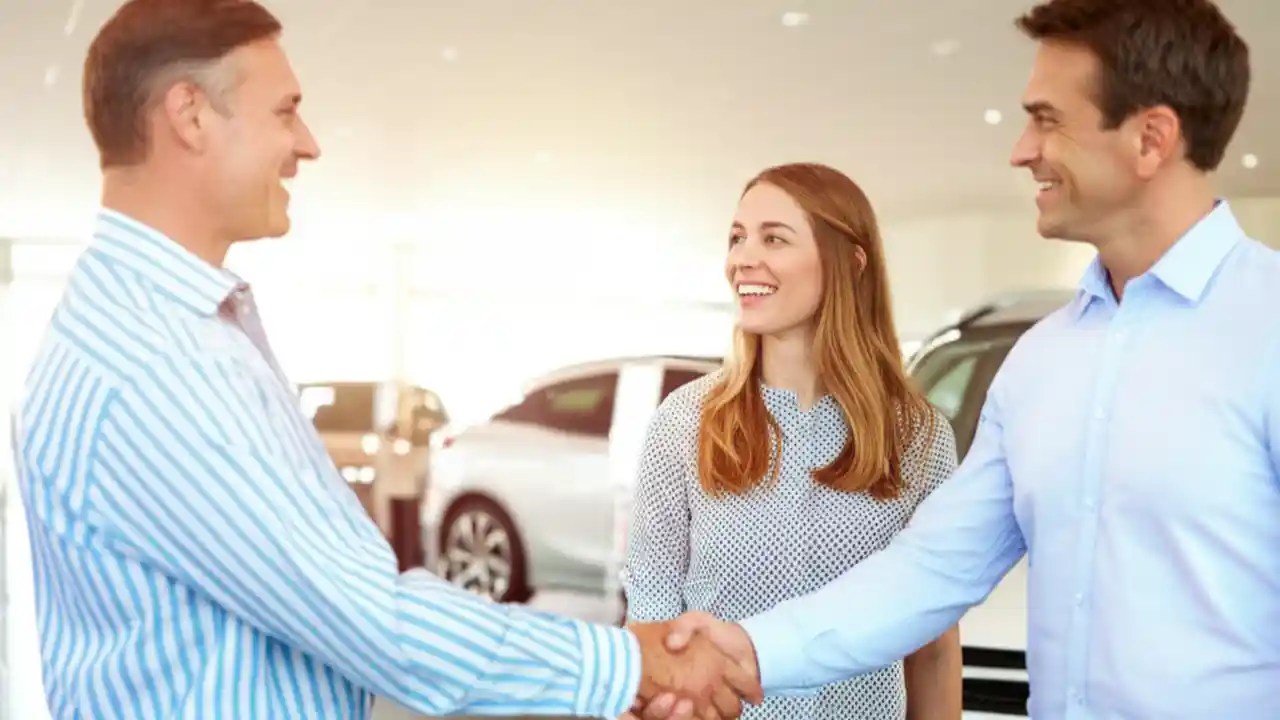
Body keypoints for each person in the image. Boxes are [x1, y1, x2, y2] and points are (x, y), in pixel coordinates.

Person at [9, 1, 761, 718]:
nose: (307, 143)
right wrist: (629, 665)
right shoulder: (160, 359)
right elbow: (371, 619)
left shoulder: (118, 321)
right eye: (284, 110)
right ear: (190, 115)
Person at [633, 0, 1280, 718]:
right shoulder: (1039, 367)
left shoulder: (1269, 333)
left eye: (1047, 119)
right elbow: (929, 572)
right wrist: (749, 652)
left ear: (1150, 138)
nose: (1021, 149)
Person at [621, 163, 962, 720]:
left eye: (773, 238)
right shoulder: (685, 422)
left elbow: (934, 648)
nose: (742, 259)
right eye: (737, 238)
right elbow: (652, 633)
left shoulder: (919, 437)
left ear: (851, 264)